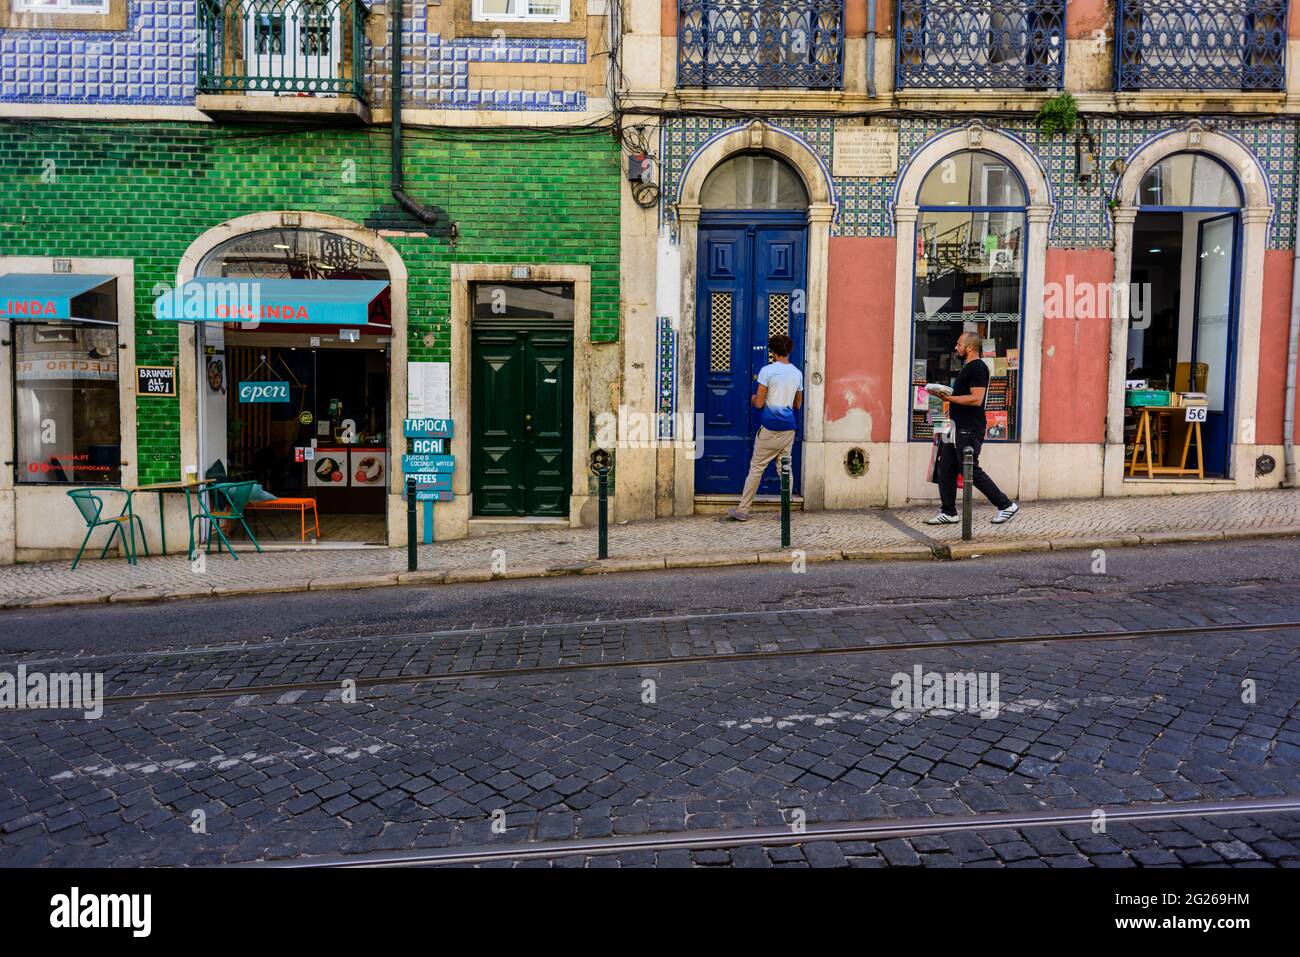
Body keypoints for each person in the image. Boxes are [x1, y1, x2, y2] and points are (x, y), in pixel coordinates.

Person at [925, 331, 1020, 526]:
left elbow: (976, 399)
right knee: (945, 469)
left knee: (970, 469)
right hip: (956, 426)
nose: (956, 347)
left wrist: (949, 398)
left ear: (969, 347)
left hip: (969, 428)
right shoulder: (967, 367)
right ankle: (949, 512)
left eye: (959, 344)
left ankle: (1005, 505)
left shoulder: (978, 367)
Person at [727, 334, 802, 522]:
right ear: (789, 351)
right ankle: (785, 512)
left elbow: (759, 403)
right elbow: (797, 405)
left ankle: (743, 510)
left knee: (757, 467)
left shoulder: (767, 371)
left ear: (773, 351)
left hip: (770, 428)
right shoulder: (797, 373)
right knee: (785, 468)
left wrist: (753, 398)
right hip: (788, 429)